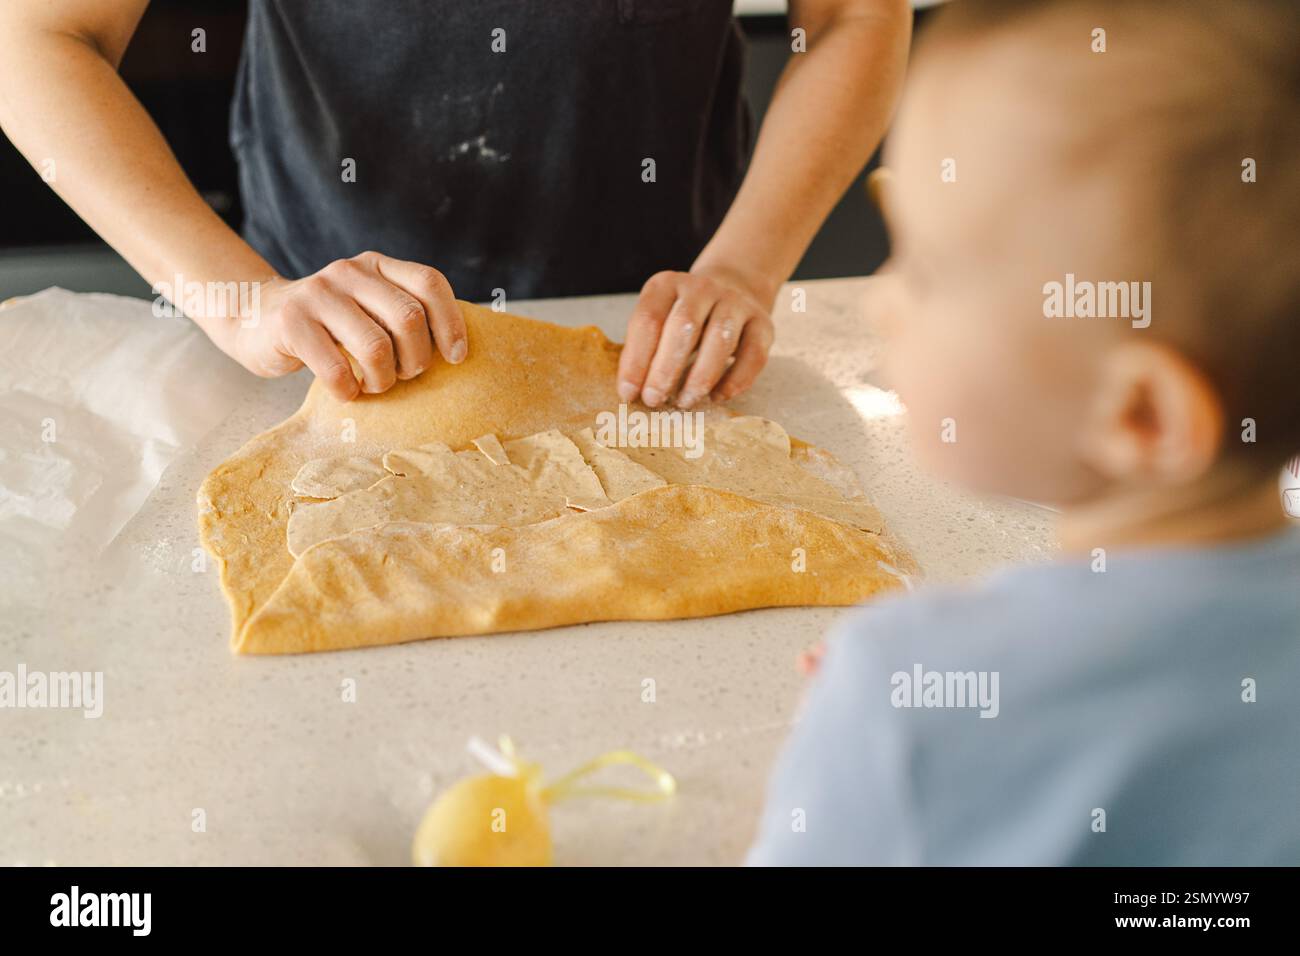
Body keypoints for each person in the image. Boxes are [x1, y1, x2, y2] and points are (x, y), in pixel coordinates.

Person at [750, 0, 1300, 865]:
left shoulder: (900, 691)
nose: (880, 300)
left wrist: (885, 724)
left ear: (1141, 415)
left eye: (927, 269)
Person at [0, 0, 910, 404]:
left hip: (659, 338)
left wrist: (745, 268)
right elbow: (38, 39)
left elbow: (850, 17)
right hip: (319, 332)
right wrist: (242, 300)